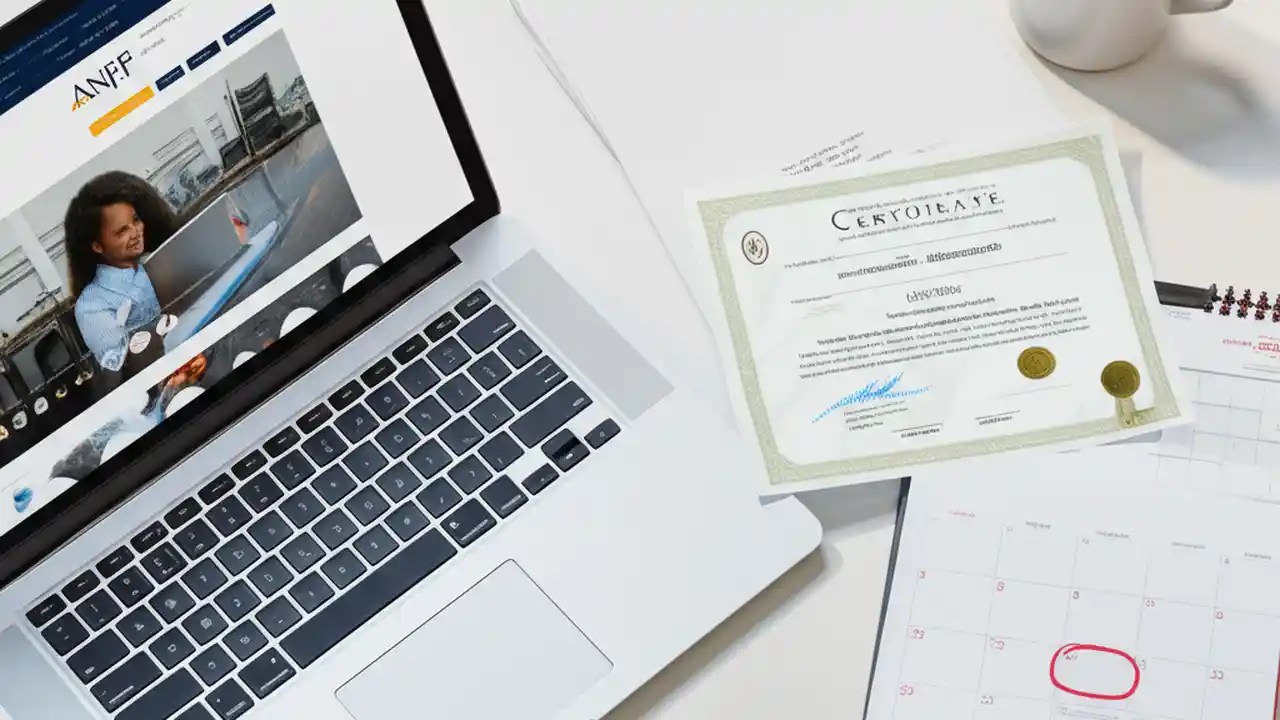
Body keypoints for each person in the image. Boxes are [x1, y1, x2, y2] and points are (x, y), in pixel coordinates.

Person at [65, 172, 178, 371]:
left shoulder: (155, 261)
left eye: (135, 221)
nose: (135, 233)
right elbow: (119, 366)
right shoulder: (91, 306)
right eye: (121, 231)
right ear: (98, 246)